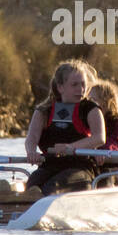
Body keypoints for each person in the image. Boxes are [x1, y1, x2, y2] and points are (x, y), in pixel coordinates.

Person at [19, 59, 105, 195]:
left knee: (53, 187)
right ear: (60, 87)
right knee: (32, 183)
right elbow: (32, 138)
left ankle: (37, 201)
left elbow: (99, 138)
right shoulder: (43, 110)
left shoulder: (91, 109)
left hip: (80, 168)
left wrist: (70, 148)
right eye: (75, 85)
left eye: (83, 84)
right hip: (50, 165)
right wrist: (31, 152)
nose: (81, 89)